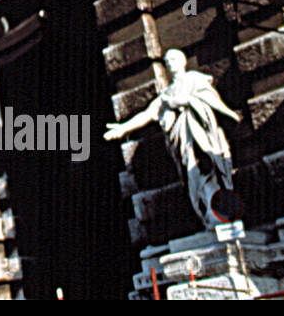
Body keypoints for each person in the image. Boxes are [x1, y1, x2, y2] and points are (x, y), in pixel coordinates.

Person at [104, 48, 243, 228]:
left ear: (183, 61)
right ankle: (209, 210)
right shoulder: (167, 93)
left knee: (209, 168)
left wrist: (228, 113)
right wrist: (123, 128)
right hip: (183, 140)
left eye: (174, 59)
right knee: (195, 175)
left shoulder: (195, 79)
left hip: (201, 134)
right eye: (168, 61)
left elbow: (211, 100)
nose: (171, 63)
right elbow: (148, 114)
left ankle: (219, 210)